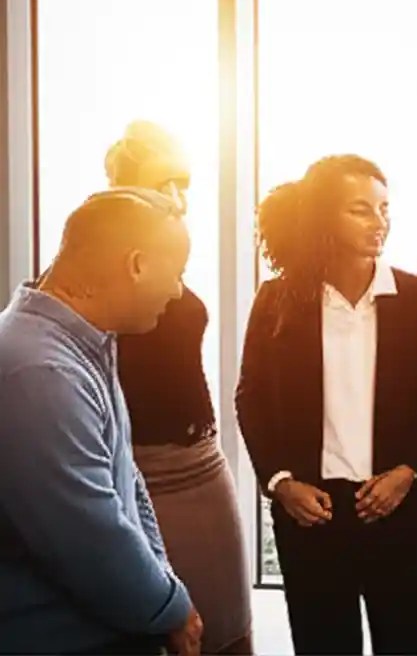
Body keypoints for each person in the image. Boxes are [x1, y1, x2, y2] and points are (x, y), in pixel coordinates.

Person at [235, 154, 417, 655]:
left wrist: (409, 470)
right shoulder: (277, 300)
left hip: (394, 507)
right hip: (310, 513)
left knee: (406, 648)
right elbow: (251, 398)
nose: (378, 221)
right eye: (359, 209)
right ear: (323, 215)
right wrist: (280, 482)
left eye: (383, 208)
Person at [0, 189, 203, 655]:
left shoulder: (83, 345)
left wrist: (165, 590)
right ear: (137, 264)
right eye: (177, 273)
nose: (177, 291)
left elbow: (127, 482)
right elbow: (90, 539)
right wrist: (171, 608)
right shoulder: (42, 372)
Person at [104, 120, 253, 654]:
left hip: (203, 467)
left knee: (229, 626)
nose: (177, 197)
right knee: (163, 628)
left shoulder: (168, 250)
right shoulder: (105, 261)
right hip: (141, 471)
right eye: (162, 183)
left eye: (182, 184)